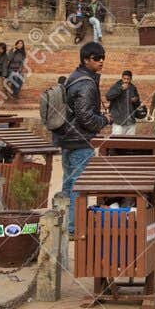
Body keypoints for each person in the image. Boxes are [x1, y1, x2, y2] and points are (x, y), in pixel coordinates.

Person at [54, 42, 109, 236]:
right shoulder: (86, 83)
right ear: (86, 60)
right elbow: (85, 117)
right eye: (97, 58)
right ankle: (73, 227)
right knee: (78, 184)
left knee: (68, 183)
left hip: (67, 139)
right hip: (79, 141)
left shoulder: (74, 77)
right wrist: (104, 120)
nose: (101, 61)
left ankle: (63, 225)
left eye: (103, 57)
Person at [106, 69, 145, 136]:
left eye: (128, 79)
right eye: (124, 79)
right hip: (118, 121)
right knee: (117, 142)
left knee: (130, 143)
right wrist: (120, 89)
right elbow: (108, 96)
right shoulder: (116, 86)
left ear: (131, 79)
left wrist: (136, 100)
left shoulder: (133, 88)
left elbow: (137, 101)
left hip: (131, 121)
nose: (126, 81)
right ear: (122, 78)